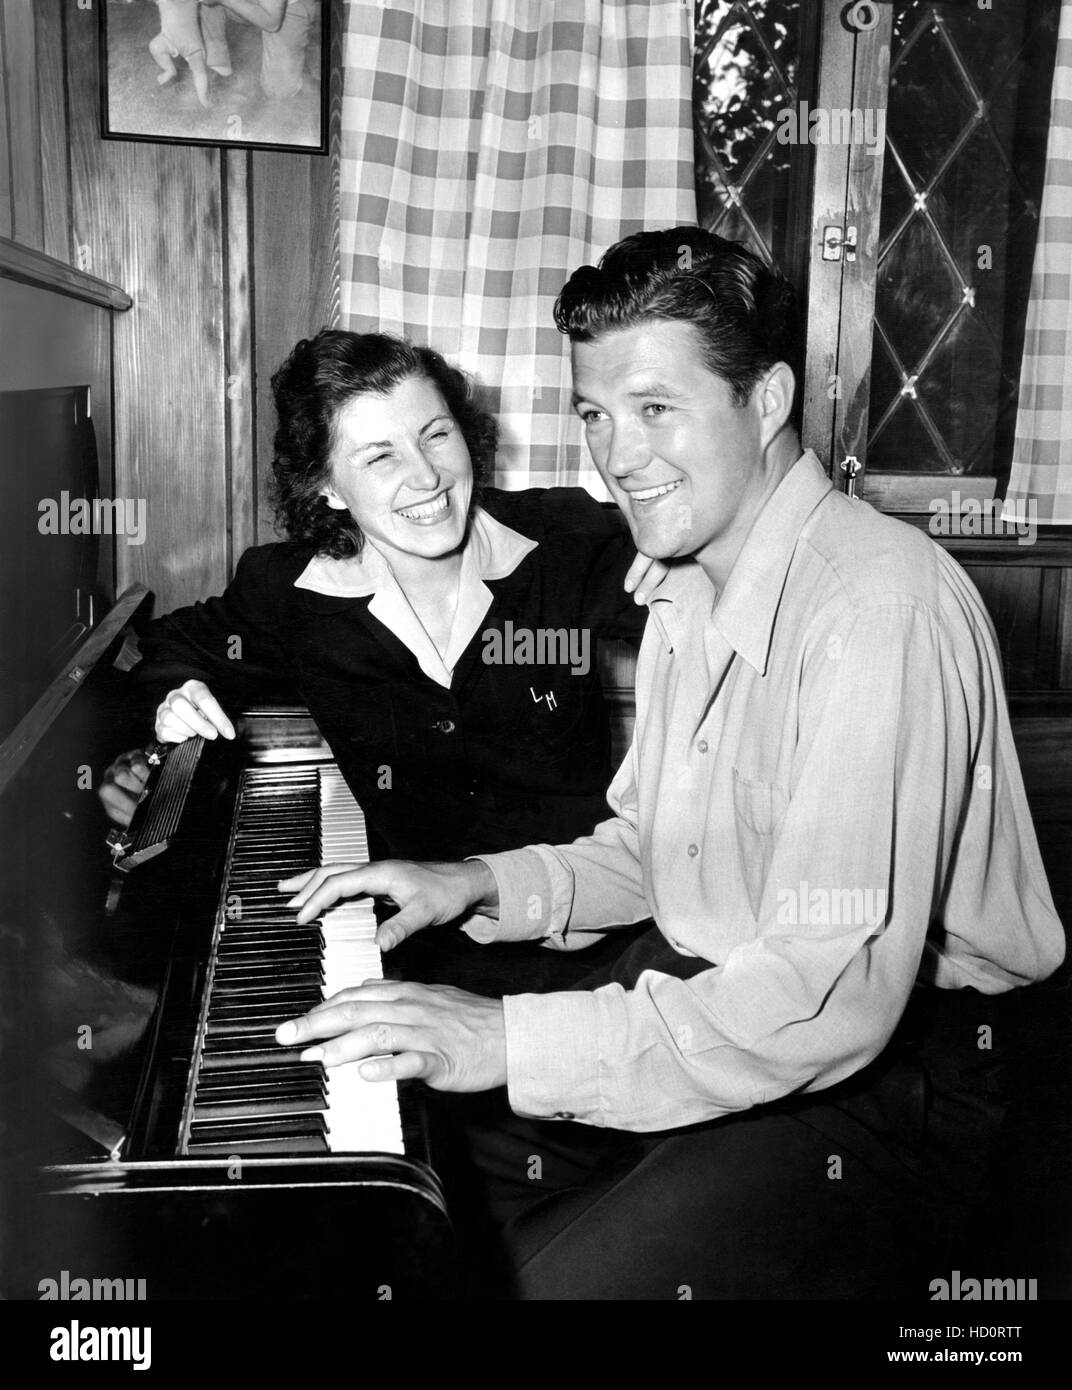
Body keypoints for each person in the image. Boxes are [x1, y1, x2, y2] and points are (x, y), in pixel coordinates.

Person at [271, 228, 1067, 1299]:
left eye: (656, 407)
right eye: (596, 415)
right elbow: (659, 851)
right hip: (719, 993)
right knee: (386, 1195)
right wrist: (475, 883)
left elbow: (826, 999)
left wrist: (505, 1034)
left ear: (769, 399)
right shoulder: (683, 580)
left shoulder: (877, 609)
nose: (618, 455)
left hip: (890, 1073)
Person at [101, 329, 659, 992]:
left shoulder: (565, 540)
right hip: (423, 950)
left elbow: (714, 587)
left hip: (590, 939)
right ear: (326, 487)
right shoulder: (292, 594)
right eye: (379, 457)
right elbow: (167, 647)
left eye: (436, 434)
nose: (426, 476)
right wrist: (173, 700)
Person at [149, 0, 214, 108]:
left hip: (192, 44)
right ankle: (170, 70)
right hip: (167, 38)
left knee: (199, 70)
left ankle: (203, 98)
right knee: (155, 46)